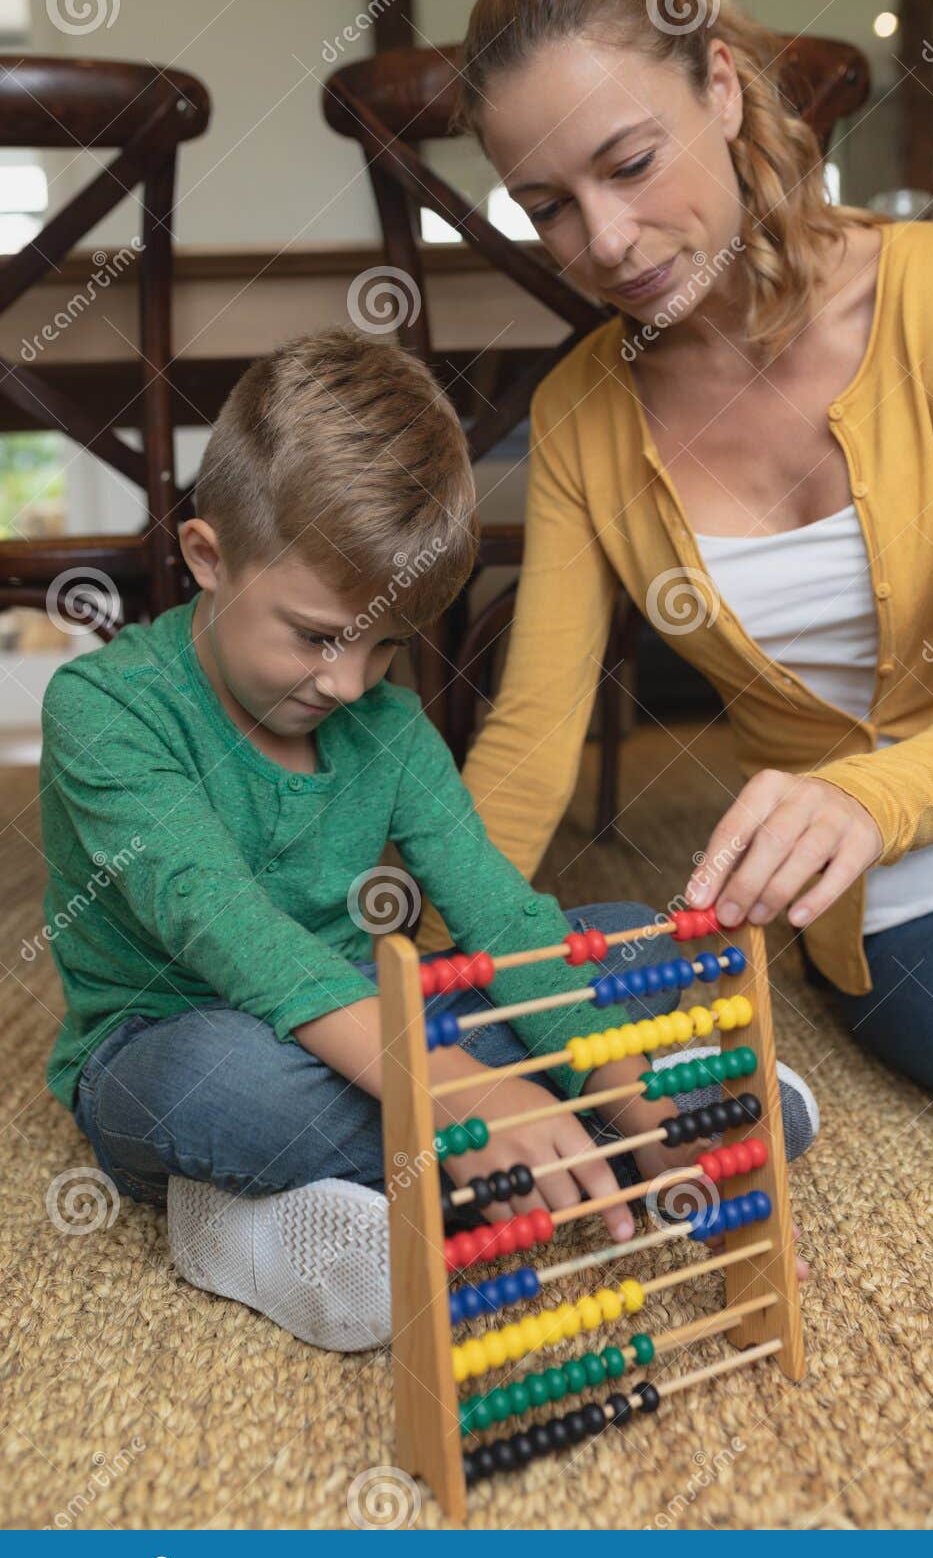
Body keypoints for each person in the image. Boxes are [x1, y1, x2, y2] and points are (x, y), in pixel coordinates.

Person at [417, 0, 933, 1173]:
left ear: (718, 86)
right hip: (910, 908)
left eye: (629, 163)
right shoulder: (579, 420)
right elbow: (526, 746)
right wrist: (391, 959)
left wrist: (856, 798)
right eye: (547, 205)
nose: (602, 240)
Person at [40, 327, 816, 1353]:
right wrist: (457, 1088)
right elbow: (222, 925)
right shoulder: (104, 706)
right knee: (211, 1084)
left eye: (386, 645)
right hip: (179, 1041)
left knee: (624, 941)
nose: (349, 683)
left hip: (372, 1020)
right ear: (206, 557)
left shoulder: (388, 729)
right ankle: (455, 1159)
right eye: (317, 635)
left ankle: (396, 1185)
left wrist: (625, 1093)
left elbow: (501, 916)